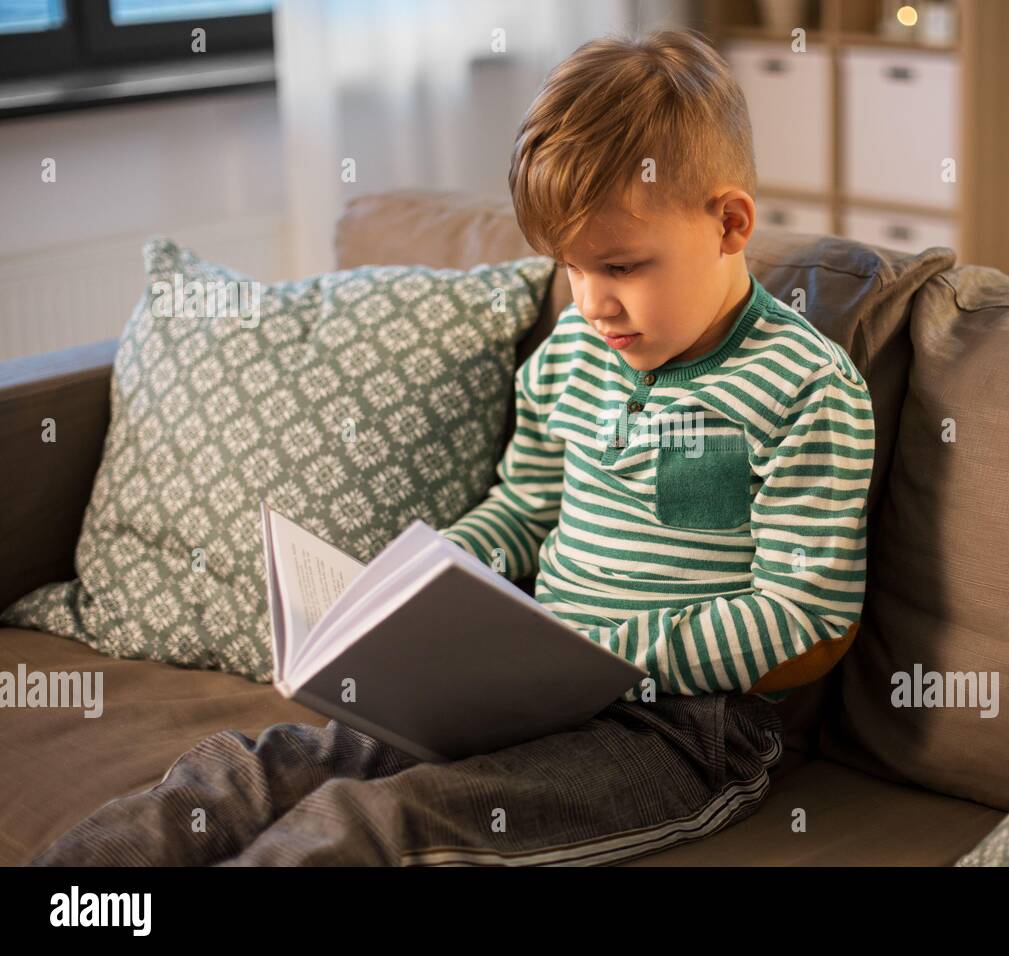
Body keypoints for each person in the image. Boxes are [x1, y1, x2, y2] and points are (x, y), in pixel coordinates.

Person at [32, 27, 873, 867]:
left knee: (374, 828)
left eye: (620, 267)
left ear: (729, 223)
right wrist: (426, 574)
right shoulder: (573, 355)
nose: (591, 304)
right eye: (571, 270)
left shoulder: (803, 388)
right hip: (522, 688)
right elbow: (523, 508)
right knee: (255, 773)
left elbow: (811, 623)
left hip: (682, 730)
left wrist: (613, 660)